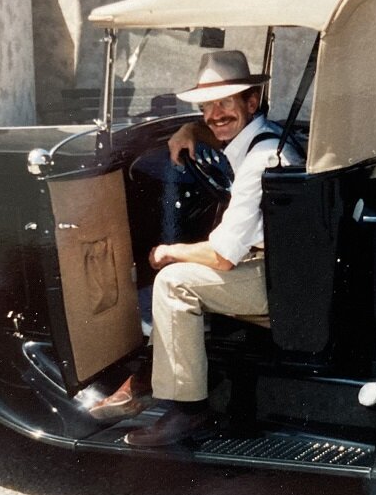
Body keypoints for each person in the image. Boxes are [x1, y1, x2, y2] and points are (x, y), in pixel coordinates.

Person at [88, 49, 303, 445]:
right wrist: (192, 131)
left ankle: (187, 410)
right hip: (284, 272)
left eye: (224, 103)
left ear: (251, 101)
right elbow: (223, 133)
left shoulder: (261, 161)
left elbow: (221, 256)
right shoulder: (262, 140)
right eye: (206, 106)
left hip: (274, 285)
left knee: (173, 281)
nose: (214, 114)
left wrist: (168, 251)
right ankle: (149, 372)